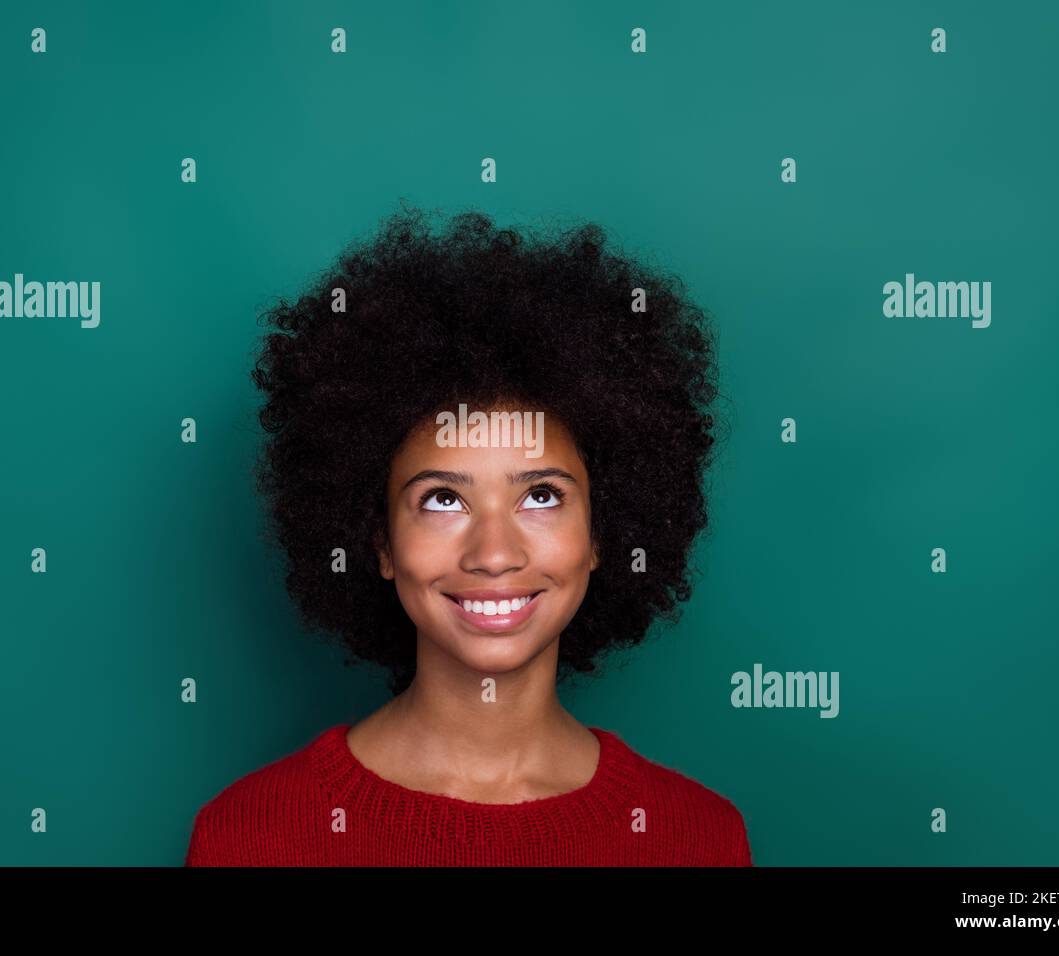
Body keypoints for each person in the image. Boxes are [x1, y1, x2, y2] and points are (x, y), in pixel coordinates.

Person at [185, 203, 751, 865]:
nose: (494, 554)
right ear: (380, 542)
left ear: (603, 532)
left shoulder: (696, 840)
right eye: (443, 498)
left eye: (541, 495)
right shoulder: (254, 838)